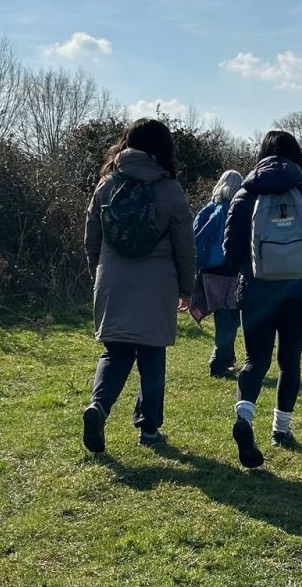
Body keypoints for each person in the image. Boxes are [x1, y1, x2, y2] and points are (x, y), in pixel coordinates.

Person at [223, 131, 302, 467]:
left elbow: (230, 250)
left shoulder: (246, 193)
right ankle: (281, 429)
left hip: (257, 290)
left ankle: (244, 418)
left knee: (255, 359)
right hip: (299, 292)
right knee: (290, 360)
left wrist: (253, 270)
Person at [82, 118, 195, 453]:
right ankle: (148, 428)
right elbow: (184, 247)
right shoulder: (170, 189)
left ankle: (98, 407)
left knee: (115, 352)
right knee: (152, 354)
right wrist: (186, 289)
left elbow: (91, 238)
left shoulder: (106, 184)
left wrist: (97, 273)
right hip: (157, 282)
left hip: (113, 278)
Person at [191, 170, 245, 376]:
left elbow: (196, 237)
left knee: (222, 315)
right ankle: (218, 359)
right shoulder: (237, 211)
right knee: (231, 317)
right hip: (232, 270)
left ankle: (225, 357)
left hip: (211, 271)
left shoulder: (208, 209)